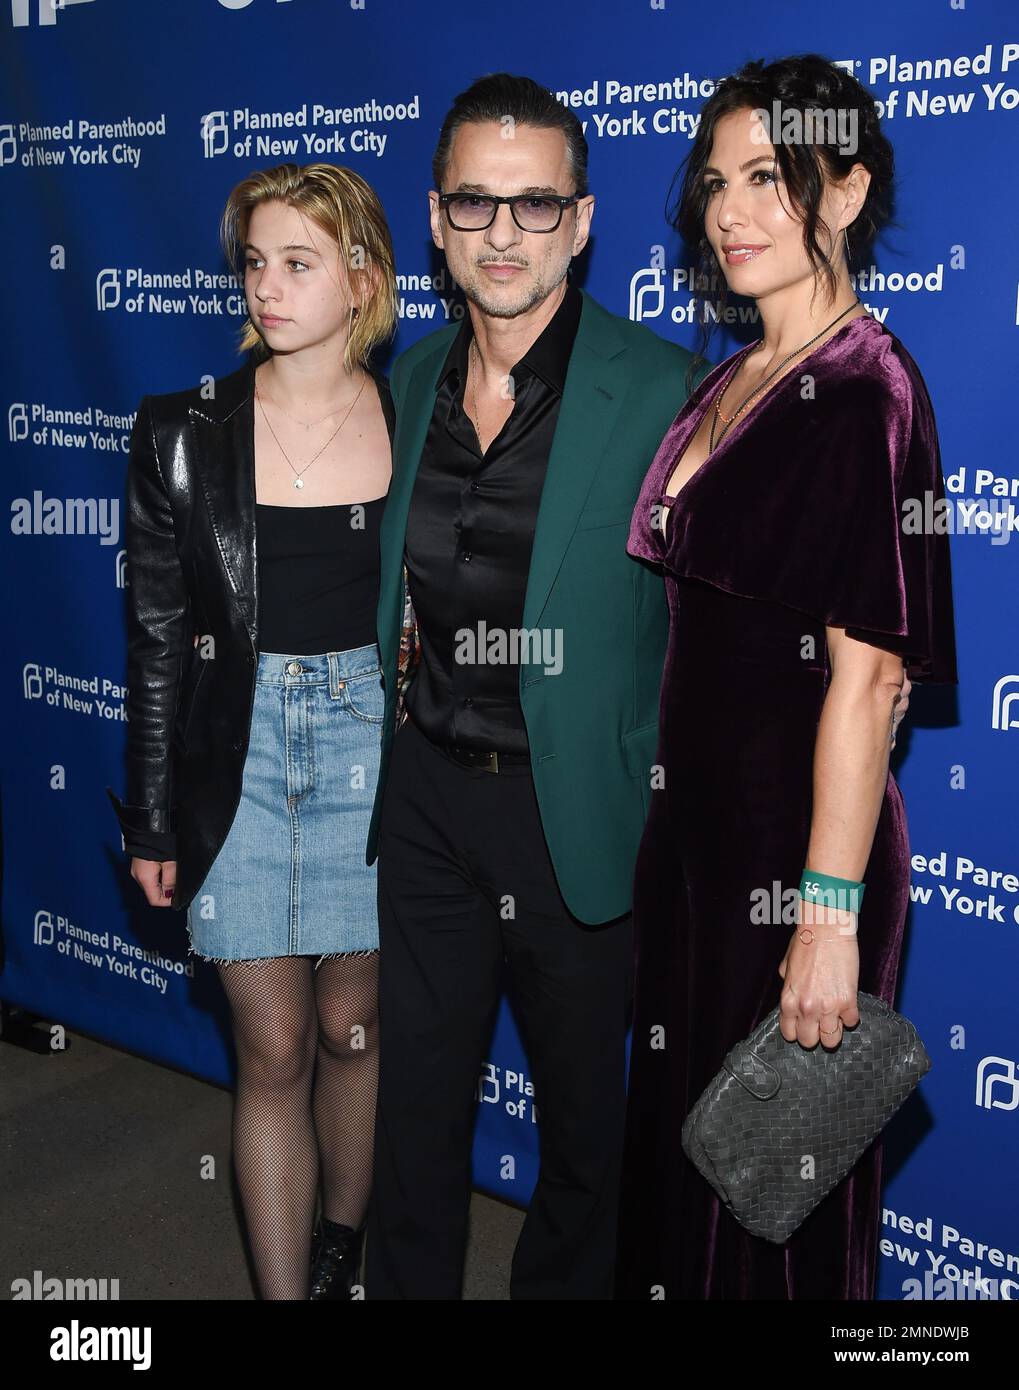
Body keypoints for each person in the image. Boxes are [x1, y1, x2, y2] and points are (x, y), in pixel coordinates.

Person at [359, 72, 910, 1301]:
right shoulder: (402, 389)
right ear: (438, 220)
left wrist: (825, 904)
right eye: (475, 204)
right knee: (413, 1132)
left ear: (584, 219)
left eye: (535, 204)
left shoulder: (671, 387)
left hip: (596, 822)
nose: (504, 233)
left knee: (596, 1155)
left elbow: (850, 662)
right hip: (433, 813)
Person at [614, 55, 957, 1300]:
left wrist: (823, 918)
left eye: (769, 177)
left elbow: (864, 682)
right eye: (715, 181)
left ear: (848, 188)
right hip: (696, 845)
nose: (728, 211)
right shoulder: (729, 377)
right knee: (685, 1166)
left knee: (766, 1204)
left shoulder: (865, 391)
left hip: (791, 860)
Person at [106, 163, 401, 1300]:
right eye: (253, 261)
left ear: (361, 276)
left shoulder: (419, 408)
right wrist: (151, 812)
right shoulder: (182, 432)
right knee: (272, 1045)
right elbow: (158, 642)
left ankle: (340, 1247)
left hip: (375, 743)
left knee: (352, 1030)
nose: (265, 287)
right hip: (238, 748)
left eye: (297, 262)